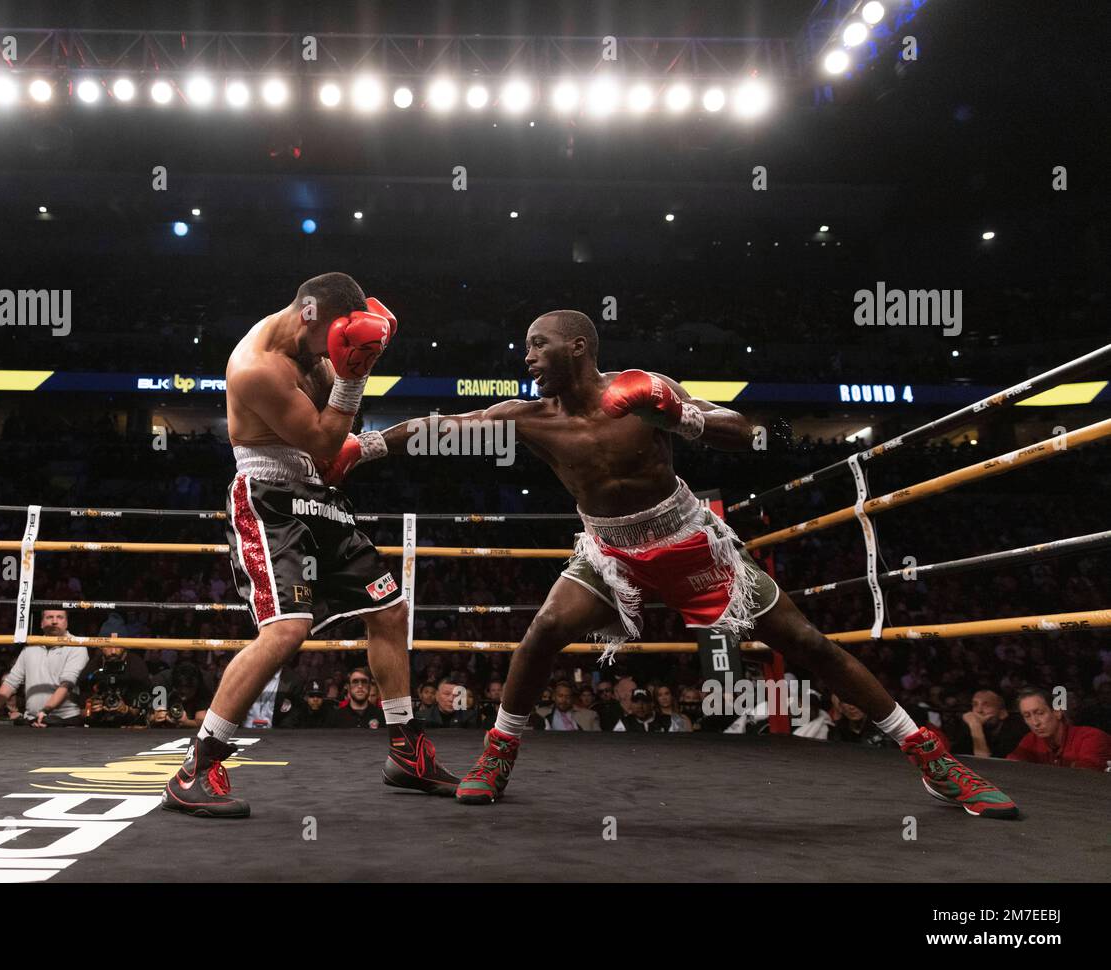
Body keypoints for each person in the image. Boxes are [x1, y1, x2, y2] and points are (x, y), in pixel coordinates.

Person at [329, 309, 1018, 817]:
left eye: (539, 344)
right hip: (610, 551)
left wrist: (679, 415)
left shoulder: (646, 388)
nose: (528, 354)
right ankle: (498, 755)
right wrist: (367, 447)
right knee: (542, 631)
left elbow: (750, 437)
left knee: (805, 641)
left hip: (692, 539)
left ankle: (932, 758)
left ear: (578, 345)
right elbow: (441, 428)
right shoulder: (530, 416)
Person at [162, 273, 457, 818]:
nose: (332, 356)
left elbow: (331, 439)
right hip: (268, 495)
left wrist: (351, 386)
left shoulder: (318, 343)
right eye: (332, 343)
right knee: (286, 630)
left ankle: (405, 751)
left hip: (316, 492)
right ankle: (195, 769)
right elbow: (324, 434)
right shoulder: (256, 368)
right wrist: (353, 376)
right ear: (308, 314)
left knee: (389, 611)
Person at [0, 609, 89, 727]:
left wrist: (45, 711)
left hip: (65, 721)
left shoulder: (77, 647)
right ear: (41, 623)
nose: (54, 621)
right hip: (32, 720)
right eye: (49, 617)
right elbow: (11, 682)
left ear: (66, 623)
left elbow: (66, 685)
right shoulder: (31, 648)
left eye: (60, 617)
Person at [1007, 687, 1111, 771]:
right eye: (1027, 716)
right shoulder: (1031, 739)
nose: (1035, 722)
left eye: (1040, 713)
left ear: (1057, 712)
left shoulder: (1091, 737)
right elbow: (1010, 768)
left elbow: (1084, 779)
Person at [950, 689, 1029, 759]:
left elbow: (988, 765)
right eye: (975, 704)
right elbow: (955, 758)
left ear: (1002, 713)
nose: (979, 710)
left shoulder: (1016, 730)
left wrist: (976, 727)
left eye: (986, 705)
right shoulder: (968, 726)